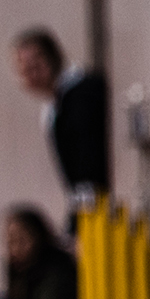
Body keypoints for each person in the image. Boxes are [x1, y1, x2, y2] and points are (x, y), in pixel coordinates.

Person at [13, 27, 110, 214]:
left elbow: (88, 163)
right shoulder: (54, 105)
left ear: (53, 58)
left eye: (36, 66)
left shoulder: (82, 94)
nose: (32, 75)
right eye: (25, 70)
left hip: (96, 207)